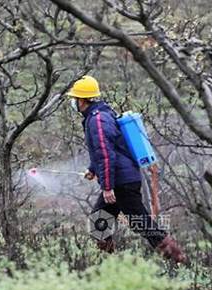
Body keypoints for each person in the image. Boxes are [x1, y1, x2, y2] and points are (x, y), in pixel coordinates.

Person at [68, 75, 187, 264]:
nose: (73, 102)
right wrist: (93, 169)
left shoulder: (97, 120)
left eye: (74, 98)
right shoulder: (100, 115)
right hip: (122, 178)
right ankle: (110, 267)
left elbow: (107, 155)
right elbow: (107, 149)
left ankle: (179, 261)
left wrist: (107, 187)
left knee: (144, 225)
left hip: (121, 182)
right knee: (99, 222)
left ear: (82, 99)